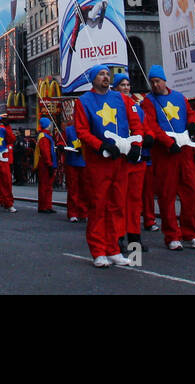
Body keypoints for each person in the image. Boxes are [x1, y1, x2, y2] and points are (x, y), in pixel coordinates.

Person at [73, 65, 142, 268]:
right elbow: (82, 131)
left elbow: (136, 123)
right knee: (98, 205)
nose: (105, 77)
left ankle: (113, 249)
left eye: (107, 74)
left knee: (118, 204)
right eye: (101, 74)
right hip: (98, 162)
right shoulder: (84, 101)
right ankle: (98, 250)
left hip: (119, 160)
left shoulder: (121, 99)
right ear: (93, 79)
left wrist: (136, 145)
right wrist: (100, 145)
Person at [140, 65, 195, 251]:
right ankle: (172, 235)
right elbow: (151, 125)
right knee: (167, 195)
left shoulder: (179, 97)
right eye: (152, 82)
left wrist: (192, 125)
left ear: (164, 80)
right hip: (165, 153)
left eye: (157, 81)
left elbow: (191, 114)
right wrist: (168, 143)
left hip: (184, 150)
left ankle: (190, 232)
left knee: (192, 192)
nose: (155, 85)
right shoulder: (148, 101)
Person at [115, 73, 148, 250]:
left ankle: (134, 239)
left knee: (135, 201)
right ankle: (118, 237)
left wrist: (148, 137)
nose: (126, 88)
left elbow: (143, 126)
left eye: (128, 85)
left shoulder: (137, 107)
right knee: (119, 200)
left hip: (137, 159)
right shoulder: (113, 105)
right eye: (122, 85)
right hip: (121, 160)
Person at [61, 121, 87, 222]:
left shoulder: (88, 128)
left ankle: (83, 212)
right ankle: (73, 213)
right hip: (72, 162)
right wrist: (61, 146)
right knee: (73, 189)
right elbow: (62, 141)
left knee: (84, 190)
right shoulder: (69, 130)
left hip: (84, 163)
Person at [35, 117, 57, 213]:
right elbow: (46, 152)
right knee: (45, 186)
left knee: (47, 186)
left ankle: (47, 205)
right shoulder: (44, 137)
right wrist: (49, 164)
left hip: (46, 164)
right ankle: (44, 206)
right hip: (45, 165)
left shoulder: (44, 136)